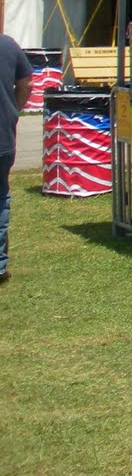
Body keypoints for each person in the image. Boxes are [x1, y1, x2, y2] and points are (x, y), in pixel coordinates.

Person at [0, 31, 34, 285]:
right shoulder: (8, 45)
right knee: (0, 198)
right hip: (2, 137)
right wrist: (15, 110)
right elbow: (27, 84)